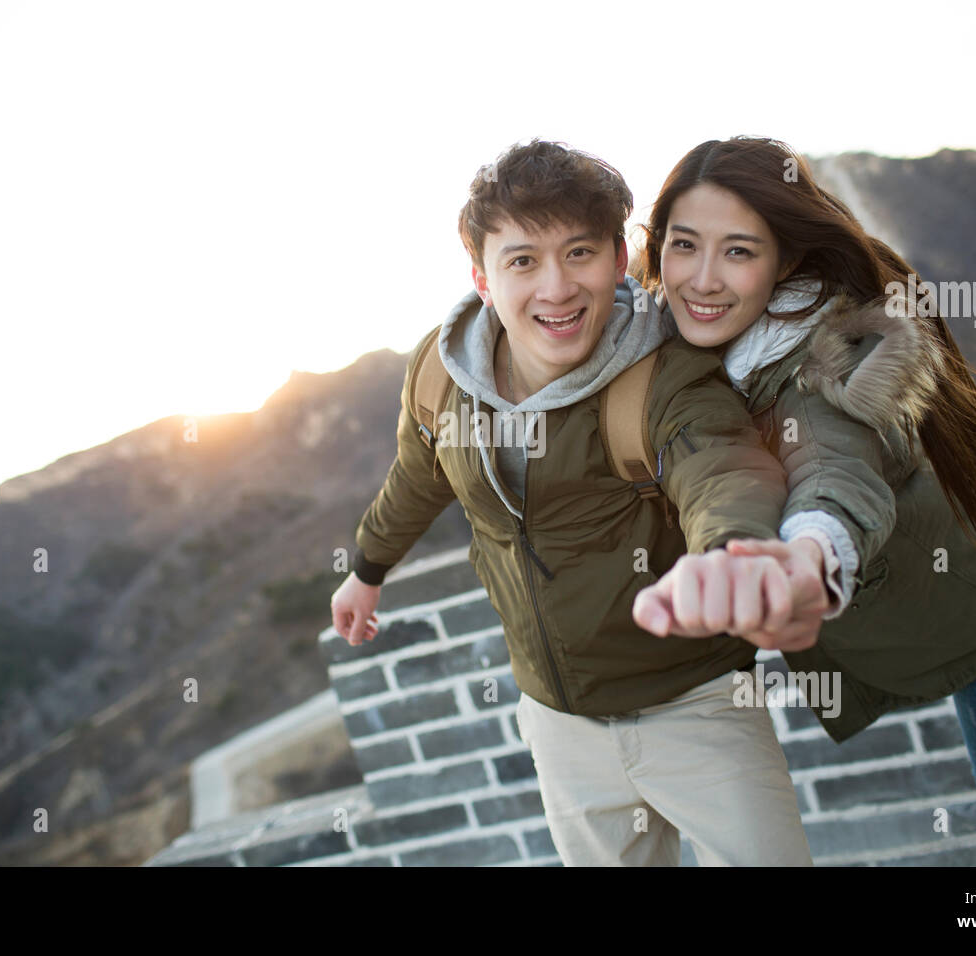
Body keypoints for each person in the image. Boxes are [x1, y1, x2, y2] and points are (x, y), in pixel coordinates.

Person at [630, 136, 976, 867]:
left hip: (967, 621)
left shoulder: (826, 369)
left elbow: (836, 477)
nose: (702, 280)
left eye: (738, 251)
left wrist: (806, 558)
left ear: (786, 261)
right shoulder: (684, 349)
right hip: (969, 571)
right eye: (684, 245)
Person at [330, 138, 819, 866]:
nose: (556, 289)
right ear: (483, 278)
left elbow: (721, 467)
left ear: (620, 260)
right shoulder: (441, 370)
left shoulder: (668, 376)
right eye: (523, 261)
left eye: (579, 253)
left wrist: (735, 555)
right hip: (558, 724)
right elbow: (418, 474)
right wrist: (367, 567)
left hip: (699, 705)